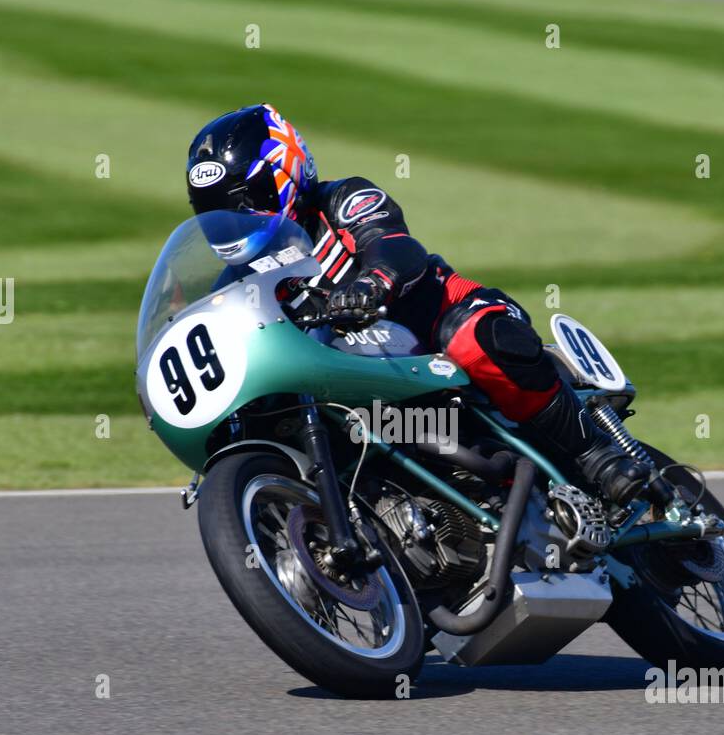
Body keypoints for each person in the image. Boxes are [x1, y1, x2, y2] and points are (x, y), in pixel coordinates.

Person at [186, 104, 651, 505]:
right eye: (216, 212)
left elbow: (392, 244)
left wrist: (374, 280)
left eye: (249, 202)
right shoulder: (240, 279)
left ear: (286, 171)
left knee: (476, 342)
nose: (235, 221)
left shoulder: (341, 199)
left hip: (435, 324)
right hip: (354, 378)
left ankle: (594, 454)